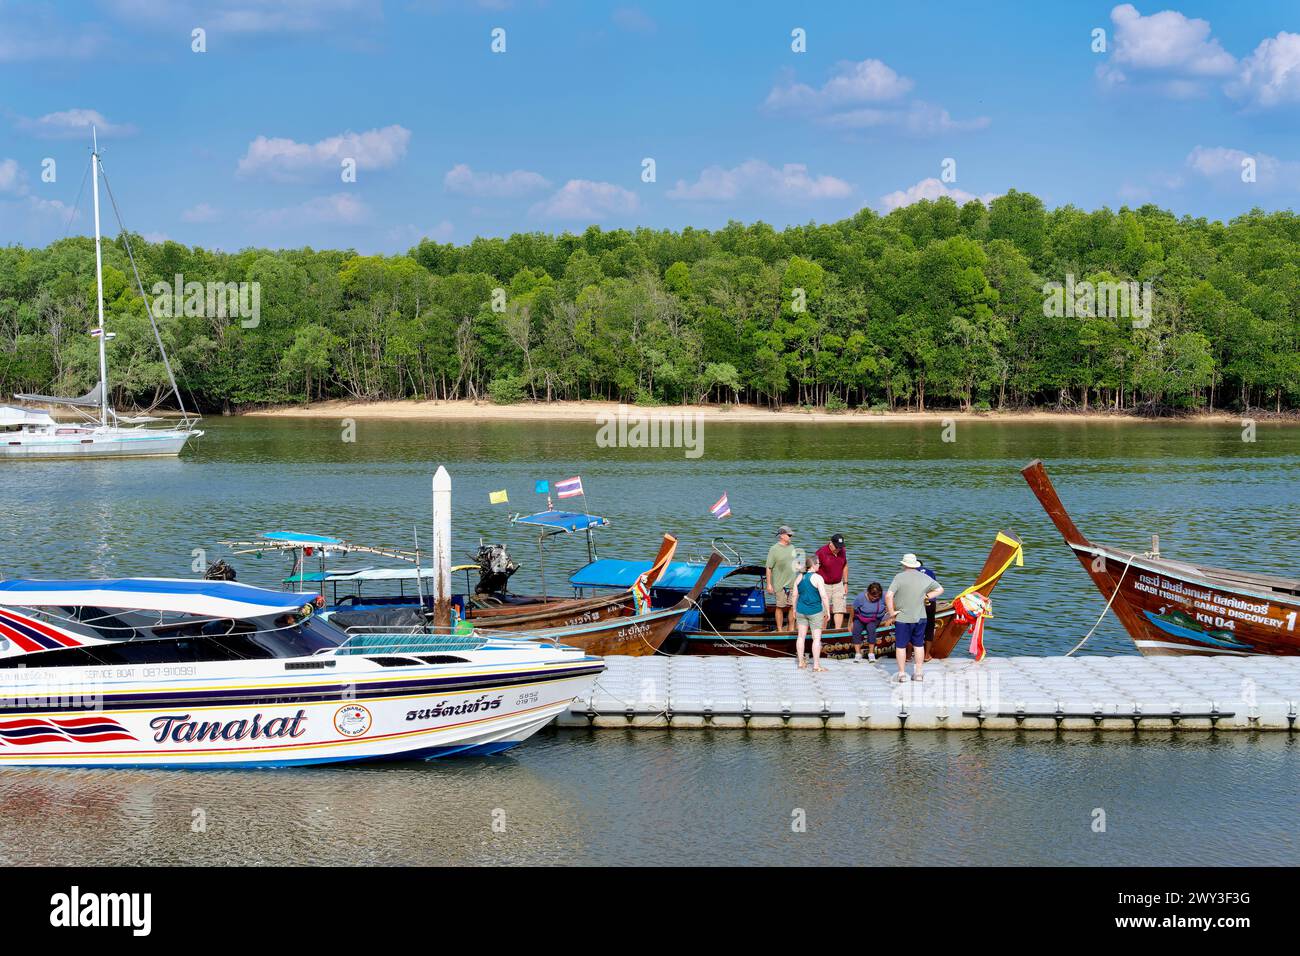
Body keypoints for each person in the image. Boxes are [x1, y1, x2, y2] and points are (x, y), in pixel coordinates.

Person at [885, 553, 943, 682]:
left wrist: (891, 612)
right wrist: (927, 596)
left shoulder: (899, 577)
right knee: (918, 645)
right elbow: (940, 589)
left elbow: (888, 596)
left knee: (900, 646)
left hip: (903, 617)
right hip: (921, 616)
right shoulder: (924, 577)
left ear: (904, 564)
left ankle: (901, 674)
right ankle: (919, 673)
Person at [793, 554, 830, 671]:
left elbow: (794, 595)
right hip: (815, 612)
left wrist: (794, 609)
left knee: (801, 637)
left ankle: (800, 663)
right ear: (813, 565)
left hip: (801, 610)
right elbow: (824, 596)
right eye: (818, 563)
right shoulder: (818, 578)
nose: (819, 565)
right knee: (816, 639)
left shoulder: (799, 577)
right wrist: (828, 611)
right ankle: (816, 665)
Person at [765, 525, 798, 632]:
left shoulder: (792, 547)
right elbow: (769, 568)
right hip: (780, 584)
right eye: (789, 535)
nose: (791, 537)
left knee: (792, 606)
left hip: (792, 583)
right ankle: (779, 630)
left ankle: (791, 628)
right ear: (782, 535)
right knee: (780, 607)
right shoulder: (774, 549)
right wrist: (769, 584)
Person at [850, 581, 893, 662]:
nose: (874, 598)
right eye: (872, 596)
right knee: (856, 629)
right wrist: (851, 622)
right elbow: (853, 608)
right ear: (868, 592)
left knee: (871, 628)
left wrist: (891, 618)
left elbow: (892, 605)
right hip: (860, 617)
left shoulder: (884, 596)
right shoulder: (861, 597)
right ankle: (858, 654)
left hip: (875, 618)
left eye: (877, 596)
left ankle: (871, 654)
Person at [814, 533, 849, 630]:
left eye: (840, 547)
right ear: (831, 543)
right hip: (824, 585)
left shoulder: (842, 551)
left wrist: (845, 583)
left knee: (840, 609)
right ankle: (822, 632)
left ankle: (837, 632)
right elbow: (813, 568)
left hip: (838, 584)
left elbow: (845, 566)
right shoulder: (821, 552)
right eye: (837, 547)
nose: (839, 549)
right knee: (824, 611)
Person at [918, 558, 939, 661]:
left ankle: (908, 656)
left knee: (913, 626)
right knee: (929, 628)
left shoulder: (911, 572)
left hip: (917, 602)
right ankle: (926, 655)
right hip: (931, 601)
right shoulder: (930, 572)